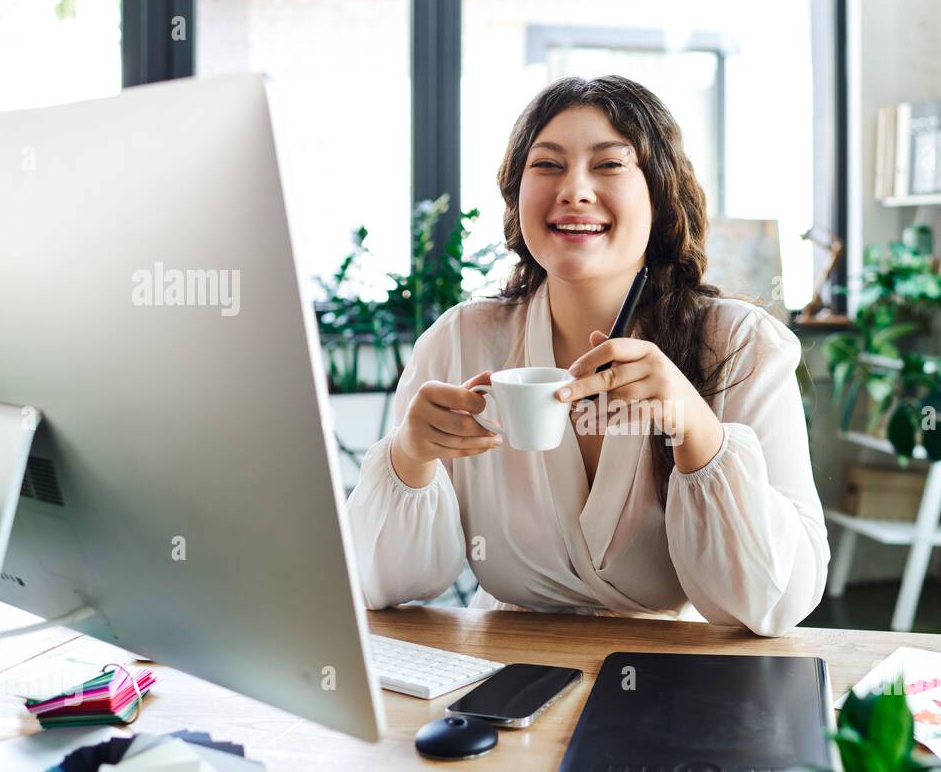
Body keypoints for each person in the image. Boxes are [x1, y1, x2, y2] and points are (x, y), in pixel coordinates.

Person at [346, 75, 828, 637]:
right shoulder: (460, 340)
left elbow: (778, 602)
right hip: (508, 677)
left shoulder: (741, 344)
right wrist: (410, 458)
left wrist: (698, 429)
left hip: (686, 677)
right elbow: (382, 585)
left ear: (660, 192)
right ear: (516, 193)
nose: (574, 190)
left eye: (609, 165)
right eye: (547, 165)